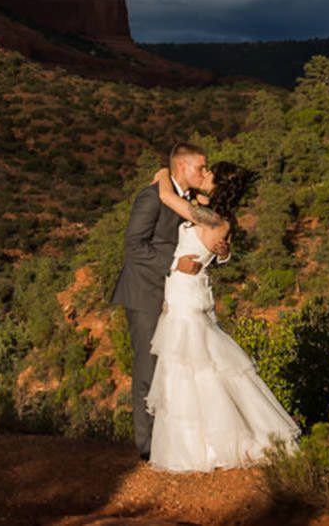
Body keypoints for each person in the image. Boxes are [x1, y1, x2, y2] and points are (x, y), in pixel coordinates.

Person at [144, 160, 300, 472]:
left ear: (219, 186)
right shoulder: (219, 218)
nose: (205, 175)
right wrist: (222, 253)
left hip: (187, 296)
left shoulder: (210, 218)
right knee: (201, 365)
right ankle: (207, 443)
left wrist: (164, 173)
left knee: (189, 368)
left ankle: (200, 449)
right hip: (187, 291)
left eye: (210, 173)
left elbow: (165, 196)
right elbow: (217, 248)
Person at [109, 142, 230, 462]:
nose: (204, 172)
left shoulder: (188, 201)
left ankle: (176, 439)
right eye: (200, 167)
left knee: (179, 367)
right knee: (148, 365)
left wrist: (219, 252)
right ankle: (147, 446)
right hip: (146, 292)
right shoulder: (151, 197)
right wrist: (175, 263)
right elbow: (134, 247)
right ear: (181, 167)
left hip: (180, 296)